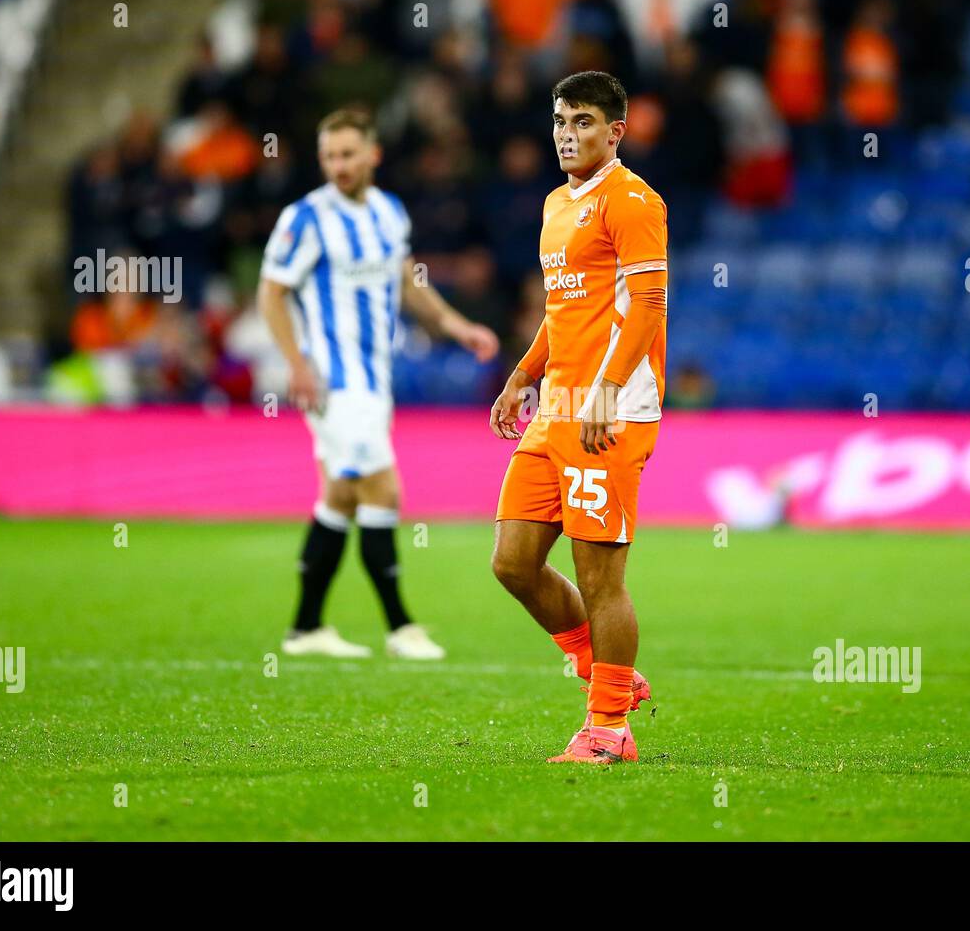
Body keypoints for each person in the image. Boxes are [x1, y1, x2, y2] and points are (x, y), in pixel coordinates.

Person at [258, 107, 499, 660]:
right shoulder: (306, 217)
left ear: (373, 155)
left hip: (374, 377)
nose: (338, 166)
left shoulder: (389, 212)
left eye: (347, 154)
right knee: (383, 489)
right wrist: (296, 363)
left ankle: (306, 628)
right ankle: (400, 626)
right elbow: (271, 293)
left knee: (340, 497)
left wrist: (455, 325)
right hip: (333, 380)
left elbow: (408, 280)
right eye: (329, 157)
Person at [489, 71, 667, 763]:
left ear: (615, 131)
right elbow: (563, 310)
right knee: (513, 563)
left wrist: (605, 392)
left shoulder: (633, 201)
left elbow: (648, 307)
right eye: (561, 120)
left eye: (584, 122)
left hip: (611, 409)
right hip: (557, 403)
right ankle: (606, 671)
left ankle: (609, 730)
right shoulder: (556, 204)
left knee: (600, 579)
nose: (568, 134)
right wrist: (523, 373)